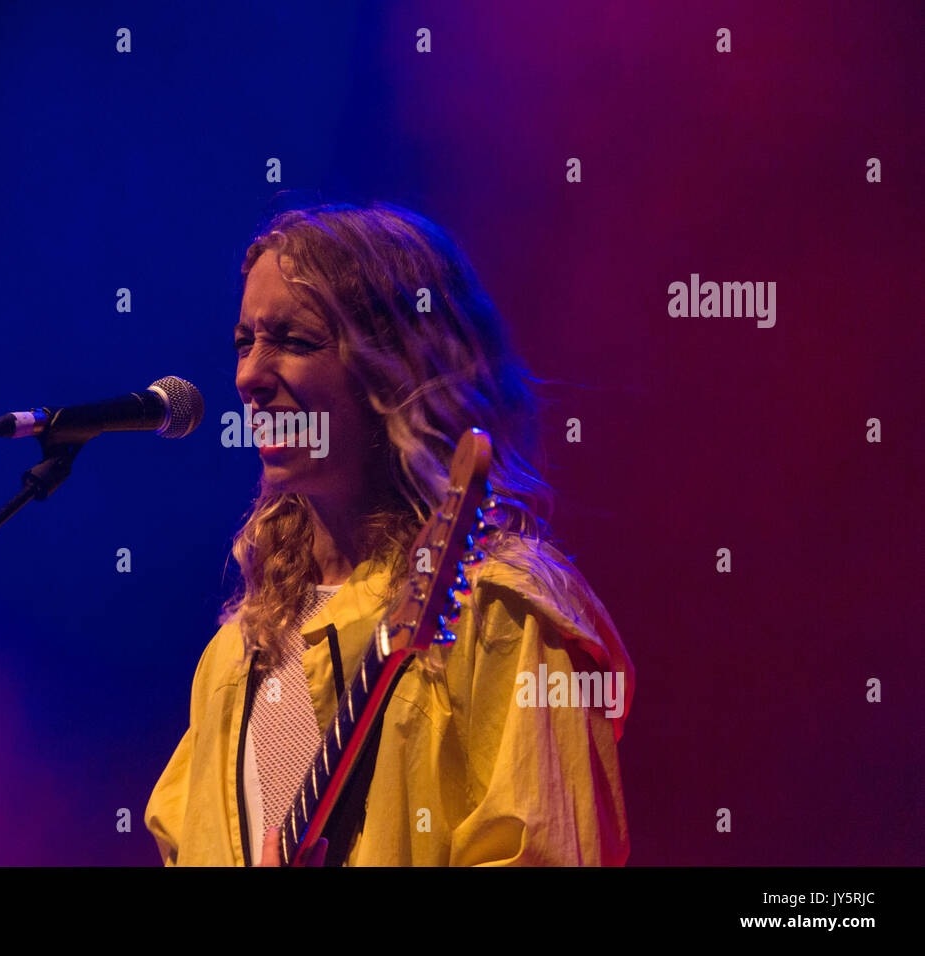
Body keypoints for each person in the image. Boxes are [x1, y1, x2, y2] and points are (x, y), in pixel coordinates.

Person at [144, 200, 633, 866]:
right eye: (244, 341)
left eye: (294, 340)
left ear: (395, 369)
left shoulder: (497, 613)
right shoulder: (231, 660)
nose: (248, 375)